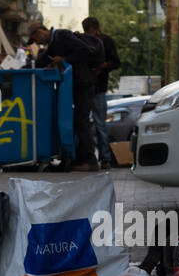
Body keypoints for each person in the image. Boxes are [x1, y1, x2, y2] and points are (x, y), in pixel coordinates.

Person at [28, 21, 102, 170]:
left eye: (35, 38)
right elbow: (40, 62)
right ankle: (78, 159)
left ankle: (90, 161)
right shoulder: (53, 45)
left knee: (81, 121)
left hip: (83, 83)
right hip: (73, 85)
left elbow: (86, 50)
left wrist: (65, 60)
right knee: (75, 121)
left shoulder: (62, 35)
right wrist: (18, 70)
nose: (36, 42)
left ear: (40, 31)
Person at [82, 16, 121, 168]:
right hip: (96, 87)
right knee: (99, 125)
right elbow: (115, 62)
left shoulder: (104, 41)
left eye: (88, 30)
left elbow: (115, 62)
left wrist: (102, 66)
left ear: (94, 28)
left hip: (94, 88)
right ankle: (103, 158)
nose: (87, 33)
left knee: (94, 125)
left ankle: (104, 158)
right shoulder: (103, 41)